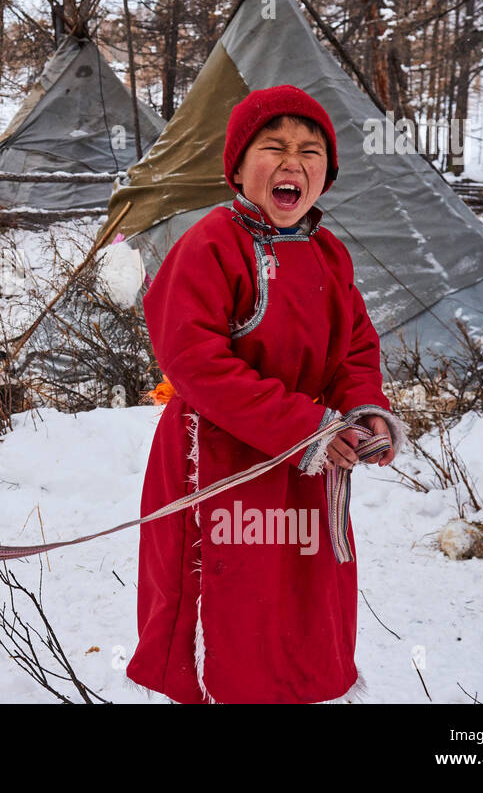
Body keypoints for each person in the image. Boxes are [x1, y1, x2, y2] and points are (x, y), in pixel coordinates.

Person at [125, 84, 405, 704]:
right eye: (272, 146)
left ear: (325, 173)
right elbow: (194, 361)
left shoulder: (329, 255)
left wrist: (362, 414)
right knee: (233, 611)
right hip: (222, 461)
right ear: (237, 165)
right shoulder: (210, 245)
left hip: (309, 462)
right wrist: (303, 426)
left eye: (309, 151)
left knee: (303, 599)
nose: (291, 162)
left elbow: (355, 348)